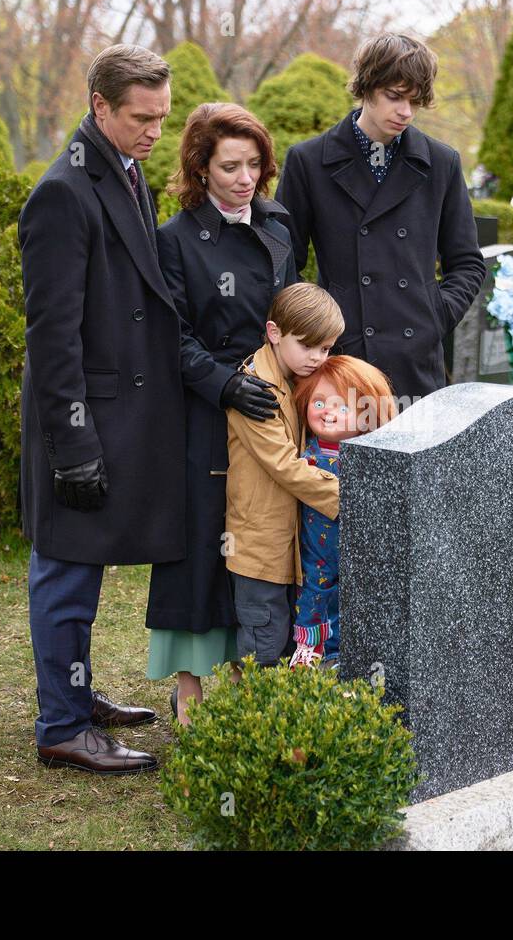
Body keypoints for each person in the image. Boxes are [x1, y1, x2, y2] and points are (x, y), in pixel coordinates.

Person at [19, 44, 188, 775]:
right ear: (99, 107)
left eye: (162, 118)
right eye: (141, 118)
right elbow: (52, 335)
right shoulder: (63, 193)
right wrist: (74, 444)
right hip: (82, 419)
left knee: (83, 571)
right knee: (65, 570)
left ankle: (78, 696)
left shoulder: (126, 171)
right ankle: (60, 726)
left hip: (122, 413)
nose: (155, 132)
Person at [145, 103, 296, 726]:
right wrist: (225, 385)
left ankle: (253, 679)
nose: (243, 177)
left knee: (261, 546)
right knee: (202, 549)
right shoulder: (176, 240)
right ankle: (188, 693)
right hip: (207, 414)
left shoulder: (278, 227)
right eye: (228, 165)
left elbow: (292, 314)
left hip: (275, 408)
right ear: (199, 168)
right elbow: (171, 337)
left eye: (254, 164)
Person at [274, 32, 487, 405]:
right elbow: (285, 263)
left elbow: (467, 262)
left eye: (415, 101)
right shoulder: (308, 162)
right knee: (340, 461)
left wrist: (434, 315)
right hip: (341, 355)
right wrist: (312, 333)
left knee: (416, 460)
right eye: (394, 96)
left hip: (416, 357)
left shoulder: (441, 163)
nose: (405, 111)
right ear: (366, 87)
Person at [223, 284, 345, 675]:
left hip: (290, 539)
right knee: (263, 646)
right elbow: (284, 464)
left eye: (326, 349)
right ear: (274, 332)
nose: (317, 358)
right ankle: (247, 726)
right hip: (260, 545)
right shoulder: (256, 388)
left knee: (281, 641)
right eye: (308, 346)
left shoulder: (293, 375)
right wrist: (352, 497)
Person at [287, 355, 396, 668]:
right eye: (319, 402)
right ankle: (310, 648)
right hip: (315, 553)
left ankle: (351, 656)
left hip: (362, 553)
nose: (329, 413)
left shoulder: (373, 458)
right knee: (314, 594)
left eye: (343, 406)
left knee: (357, 600)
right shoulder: (304, 456)